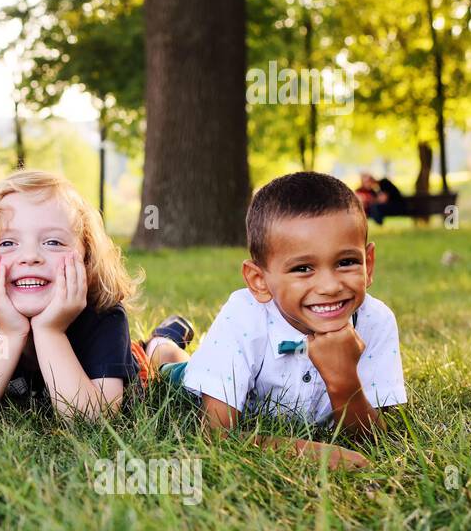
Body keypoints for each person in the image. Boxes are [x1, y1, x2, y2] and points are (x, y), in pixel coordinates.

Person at [146, 171, 406, 469]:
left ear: (368, 264)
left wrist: (344, 381)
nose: (330, 286)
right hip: (197, 378)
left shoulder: (377, 321)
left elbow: (374, 439)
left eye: (346, 262)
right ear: (259, 280)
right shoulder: (243, 317)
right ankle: (163, 342)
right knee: (167, 367)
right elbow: (216, 437)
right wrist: (304, 451)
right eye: (303, 268)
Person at [0, 169, 145, 420]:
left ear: (87, 256)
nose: (30, 257)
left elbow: (94, 419)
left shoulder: (104, 313)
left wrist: (50, 331)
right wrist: (9, 332)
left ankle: (164, 342)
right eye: (7, 243)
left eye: (53, 242)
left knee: (156, 361)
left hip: (135, 362)